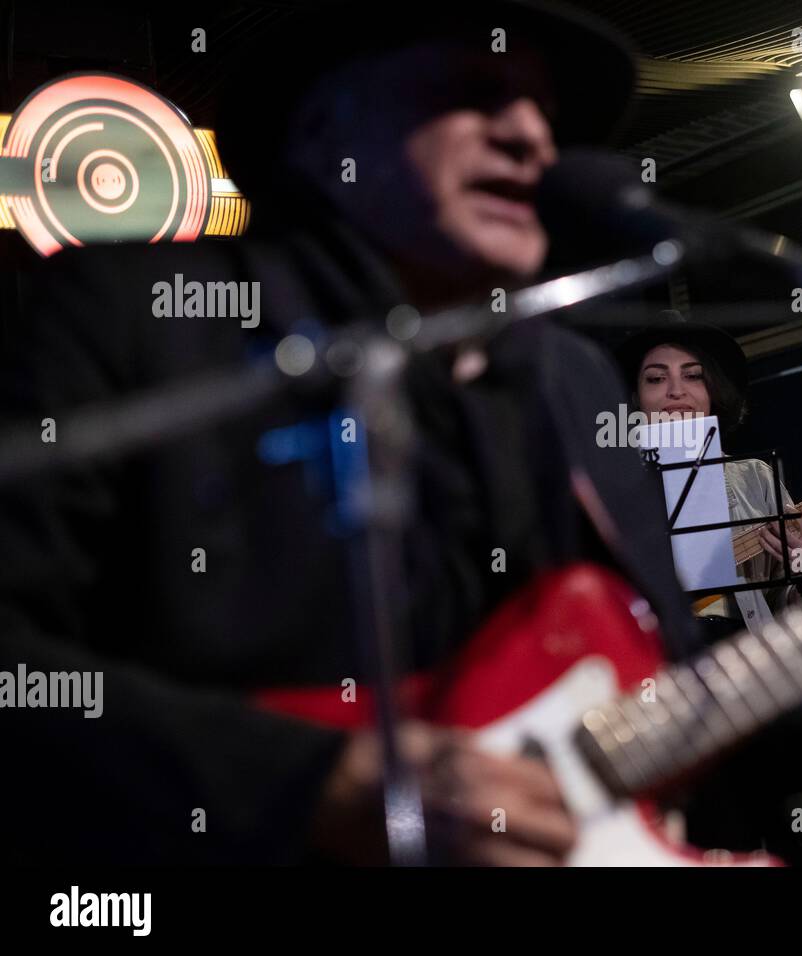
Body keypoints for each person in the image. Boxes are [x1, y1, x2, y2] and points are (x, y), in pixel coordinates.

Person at [0, 0, 697, 866]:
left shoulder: (571, 378)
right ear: (321, 127)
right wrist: (311, 784)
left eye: (544, 111)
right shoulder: (139, 314)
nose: (531, 137)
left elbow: (674, 694)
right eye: (475, 91)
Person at [616, 317, 802, 638]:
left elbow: (784, 607)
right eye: (656, 378)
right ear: (635, 398)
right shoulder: (613, 488)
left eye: (693, 375)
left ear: (712, 390)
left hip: (747, 657)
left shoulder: (753, 477)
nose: (676, 390)